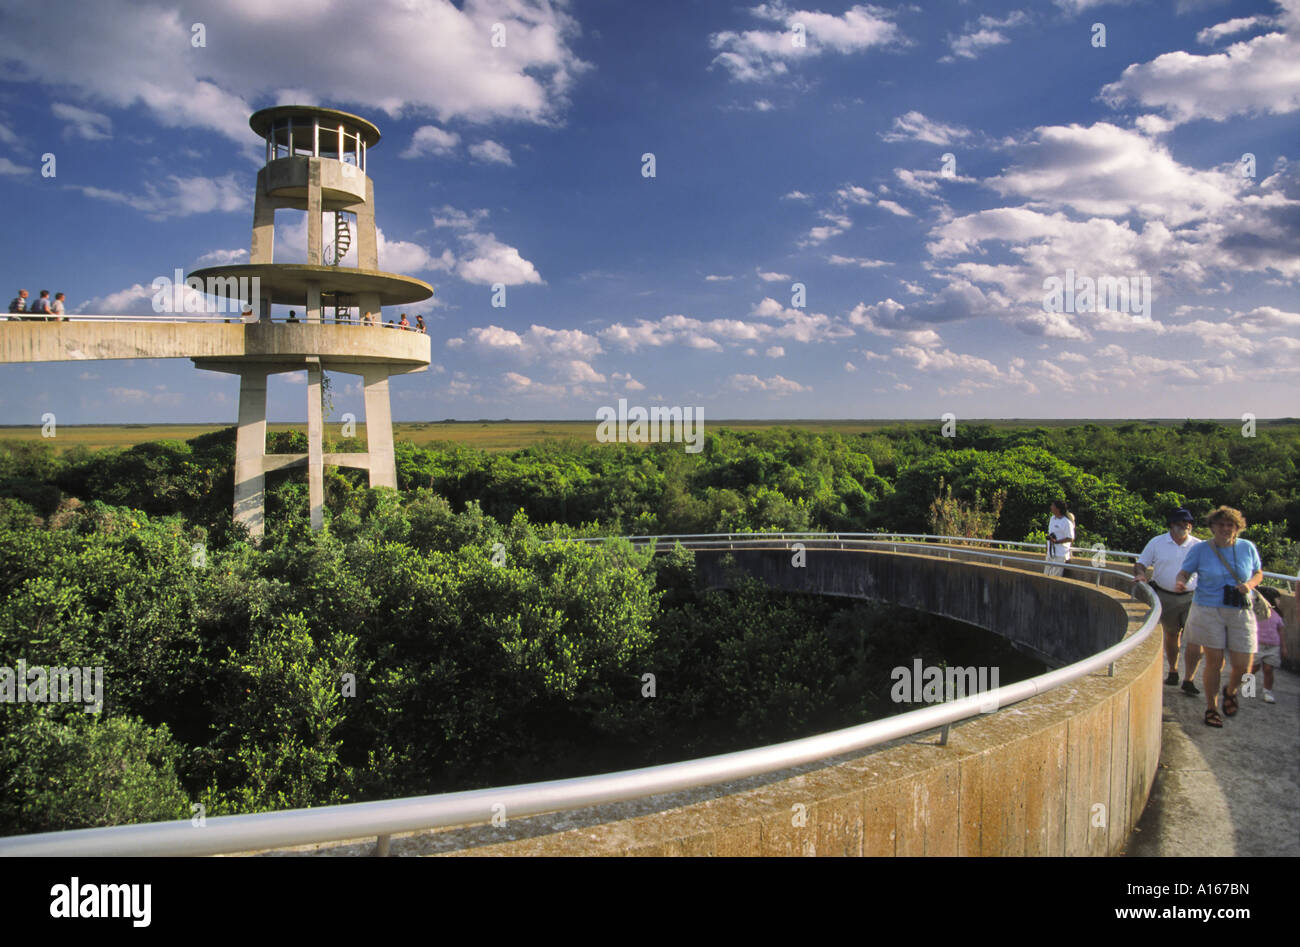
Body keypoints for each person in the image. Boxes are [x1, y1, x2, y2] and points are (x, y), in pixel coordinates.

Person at [1174, 506, 1262, 728]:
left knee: (1244, 666)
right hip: (1208, 608)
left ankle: (1230, 691)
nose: (1225, 528)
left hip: (1240, 608)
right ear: (1212, 527)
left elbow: (1258, 573)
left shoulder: (1247, 547)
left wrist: (1249, 585)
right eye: (1220, 524)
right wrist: (1181, 581)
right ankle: (1211, 708)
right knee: (1215, 661)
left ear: (1237, 527)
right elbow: (1185, 571)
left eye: (1230, 524)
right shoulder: (1201, 550)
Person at [1134, 508, 1203, 694]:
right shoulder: (1157, 543)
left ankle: (1189, 679)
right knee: (1172, 636)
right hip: (1166, 596)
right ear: (1171, 524)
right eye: (1181, 522)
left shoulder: (1199, 546)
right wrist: (1141, 575)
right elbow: (1141, 563)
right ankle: (1173, 670)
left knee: (1197, 639)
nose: (1185, 526)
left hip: (1193, 597)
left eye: (1188, 523)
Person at [1251, 588, 1286, 703]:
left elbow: (1281, 631)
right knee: (1252, 668)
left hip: (1273, 647)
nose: (1279, 601)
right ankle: (1246, 687)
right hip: (1257, 644)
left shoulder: (1277, 615)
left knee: (1268, 669)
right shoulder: (1256, 612)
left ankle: (1267, 691)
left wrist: (1283, 647)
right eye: (1277, 599)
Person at [1045, 500, 1074, 576]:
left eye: (1052, 506)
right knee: (1046, 575)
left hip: (1060, 554)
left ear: (1057, 509)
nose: (1051, 507)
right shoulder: (1052, 519)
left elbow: (1070, 538)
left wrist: (1056, 541)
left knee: (1055, 577)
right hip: (1050, 553)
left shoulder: (1066, 522)